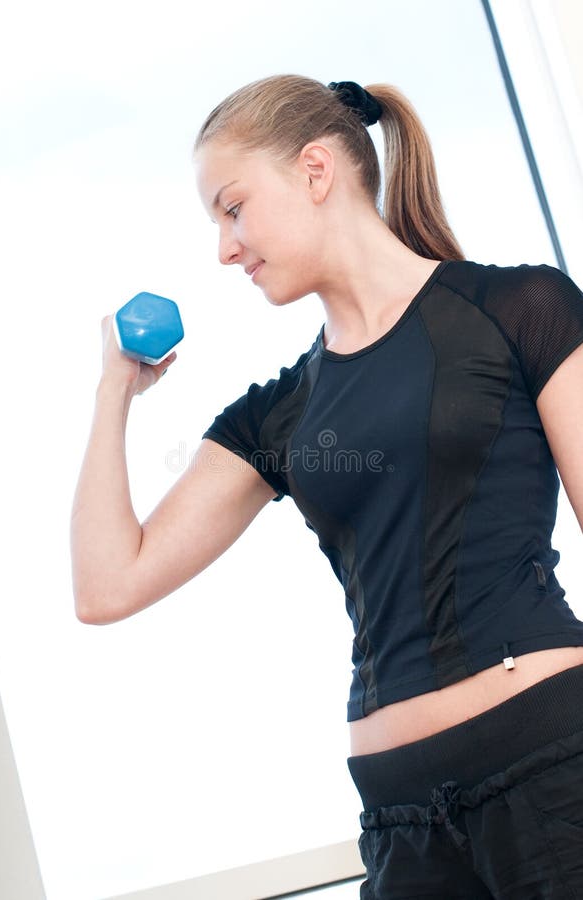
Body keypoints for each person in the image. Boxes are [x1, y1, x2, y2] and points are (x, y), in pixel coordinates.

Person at [70, 74, 583, 898]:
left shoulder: (521, 307)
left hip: (555, 777)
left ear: (316, 171)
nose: (224, 248)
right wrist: (110, 394)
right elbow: (106, 586)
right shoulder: (278, 414)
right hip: (400, 824)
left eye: (232, 209)